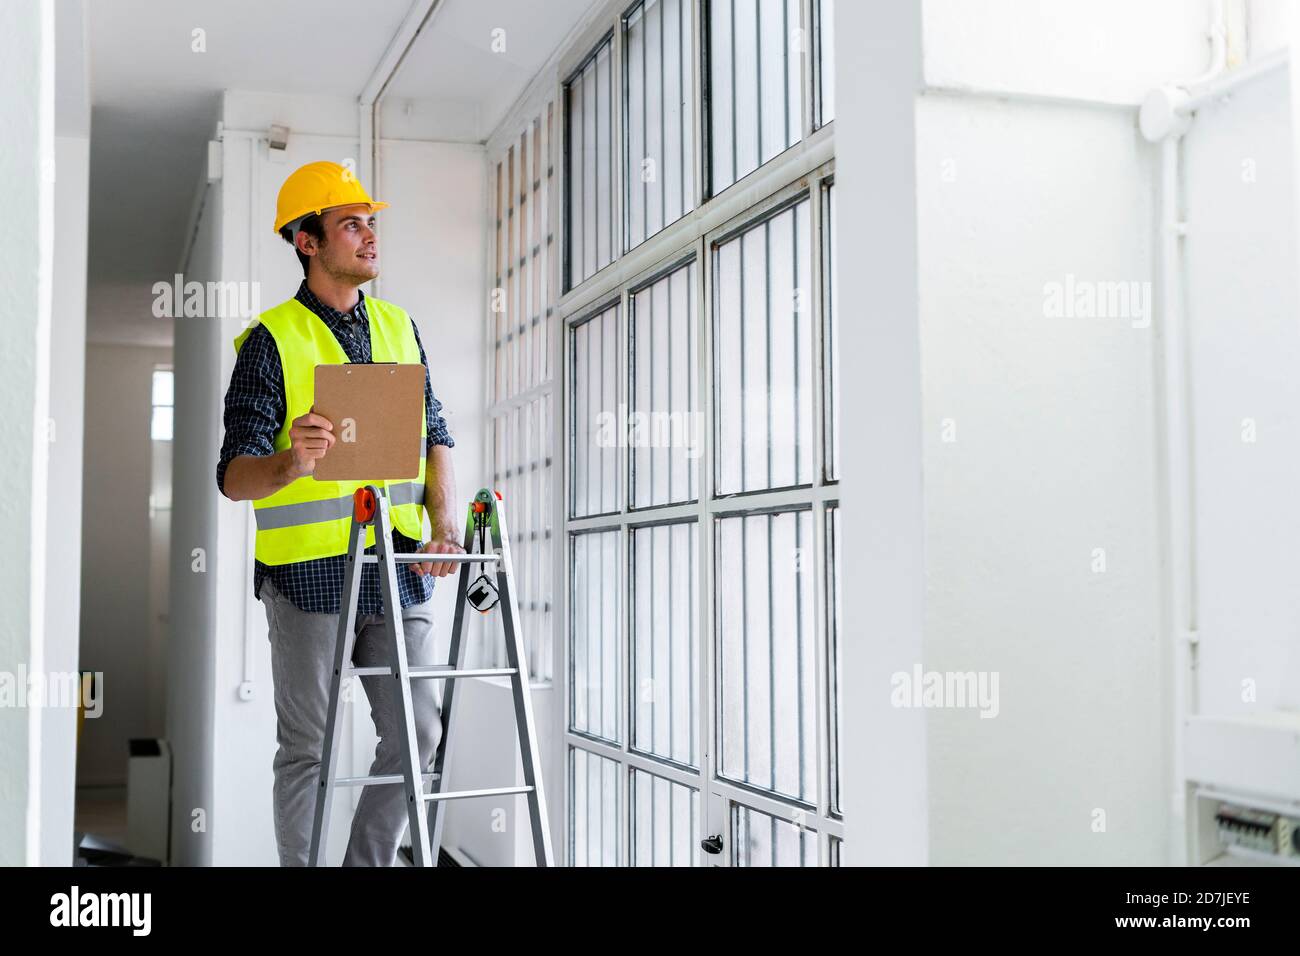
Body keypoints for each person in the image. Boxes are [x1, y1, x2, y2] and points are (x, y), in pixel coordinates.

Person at [216, 160, 464, 866]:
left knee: (418, 735)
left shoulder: (397, 326)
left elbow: (435, 434)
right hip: (308, 580)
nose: (370, 236)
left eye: (371, 223)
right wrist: (290, 462)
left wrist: (444, 525)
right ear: (307, 241)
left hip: (398, 572)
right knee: (308, 749)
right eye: (351, 224)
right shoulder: (271, 340)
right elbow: (234, 478)